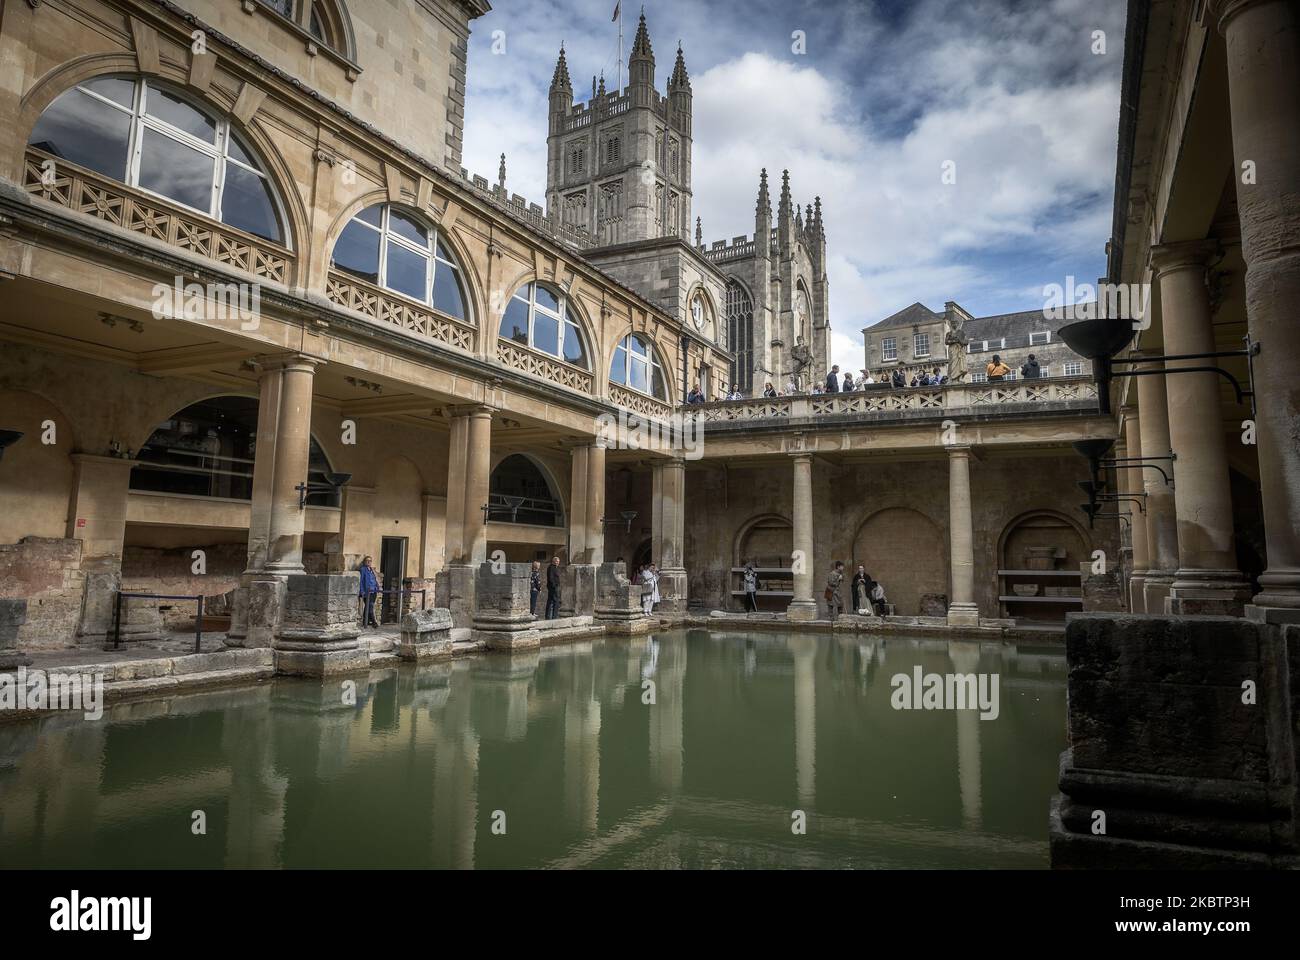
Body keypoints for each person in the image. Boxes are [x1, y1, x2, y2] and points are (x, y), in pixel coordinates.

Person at [358, 555, 380, 629]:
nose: (369, 562)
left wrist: (377, 587)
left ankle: (365, 621)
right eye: (367, 560)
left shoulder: (372, 570)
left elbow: (375, 579)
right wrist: (362, 591)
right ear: (364, 562)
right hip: (367, 591)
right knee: (369, 606)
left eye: (370, 561)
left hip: (374, 591)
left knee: (369, 606)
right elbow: (361, 581)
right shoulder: (363, 569)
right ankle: (374, 622)